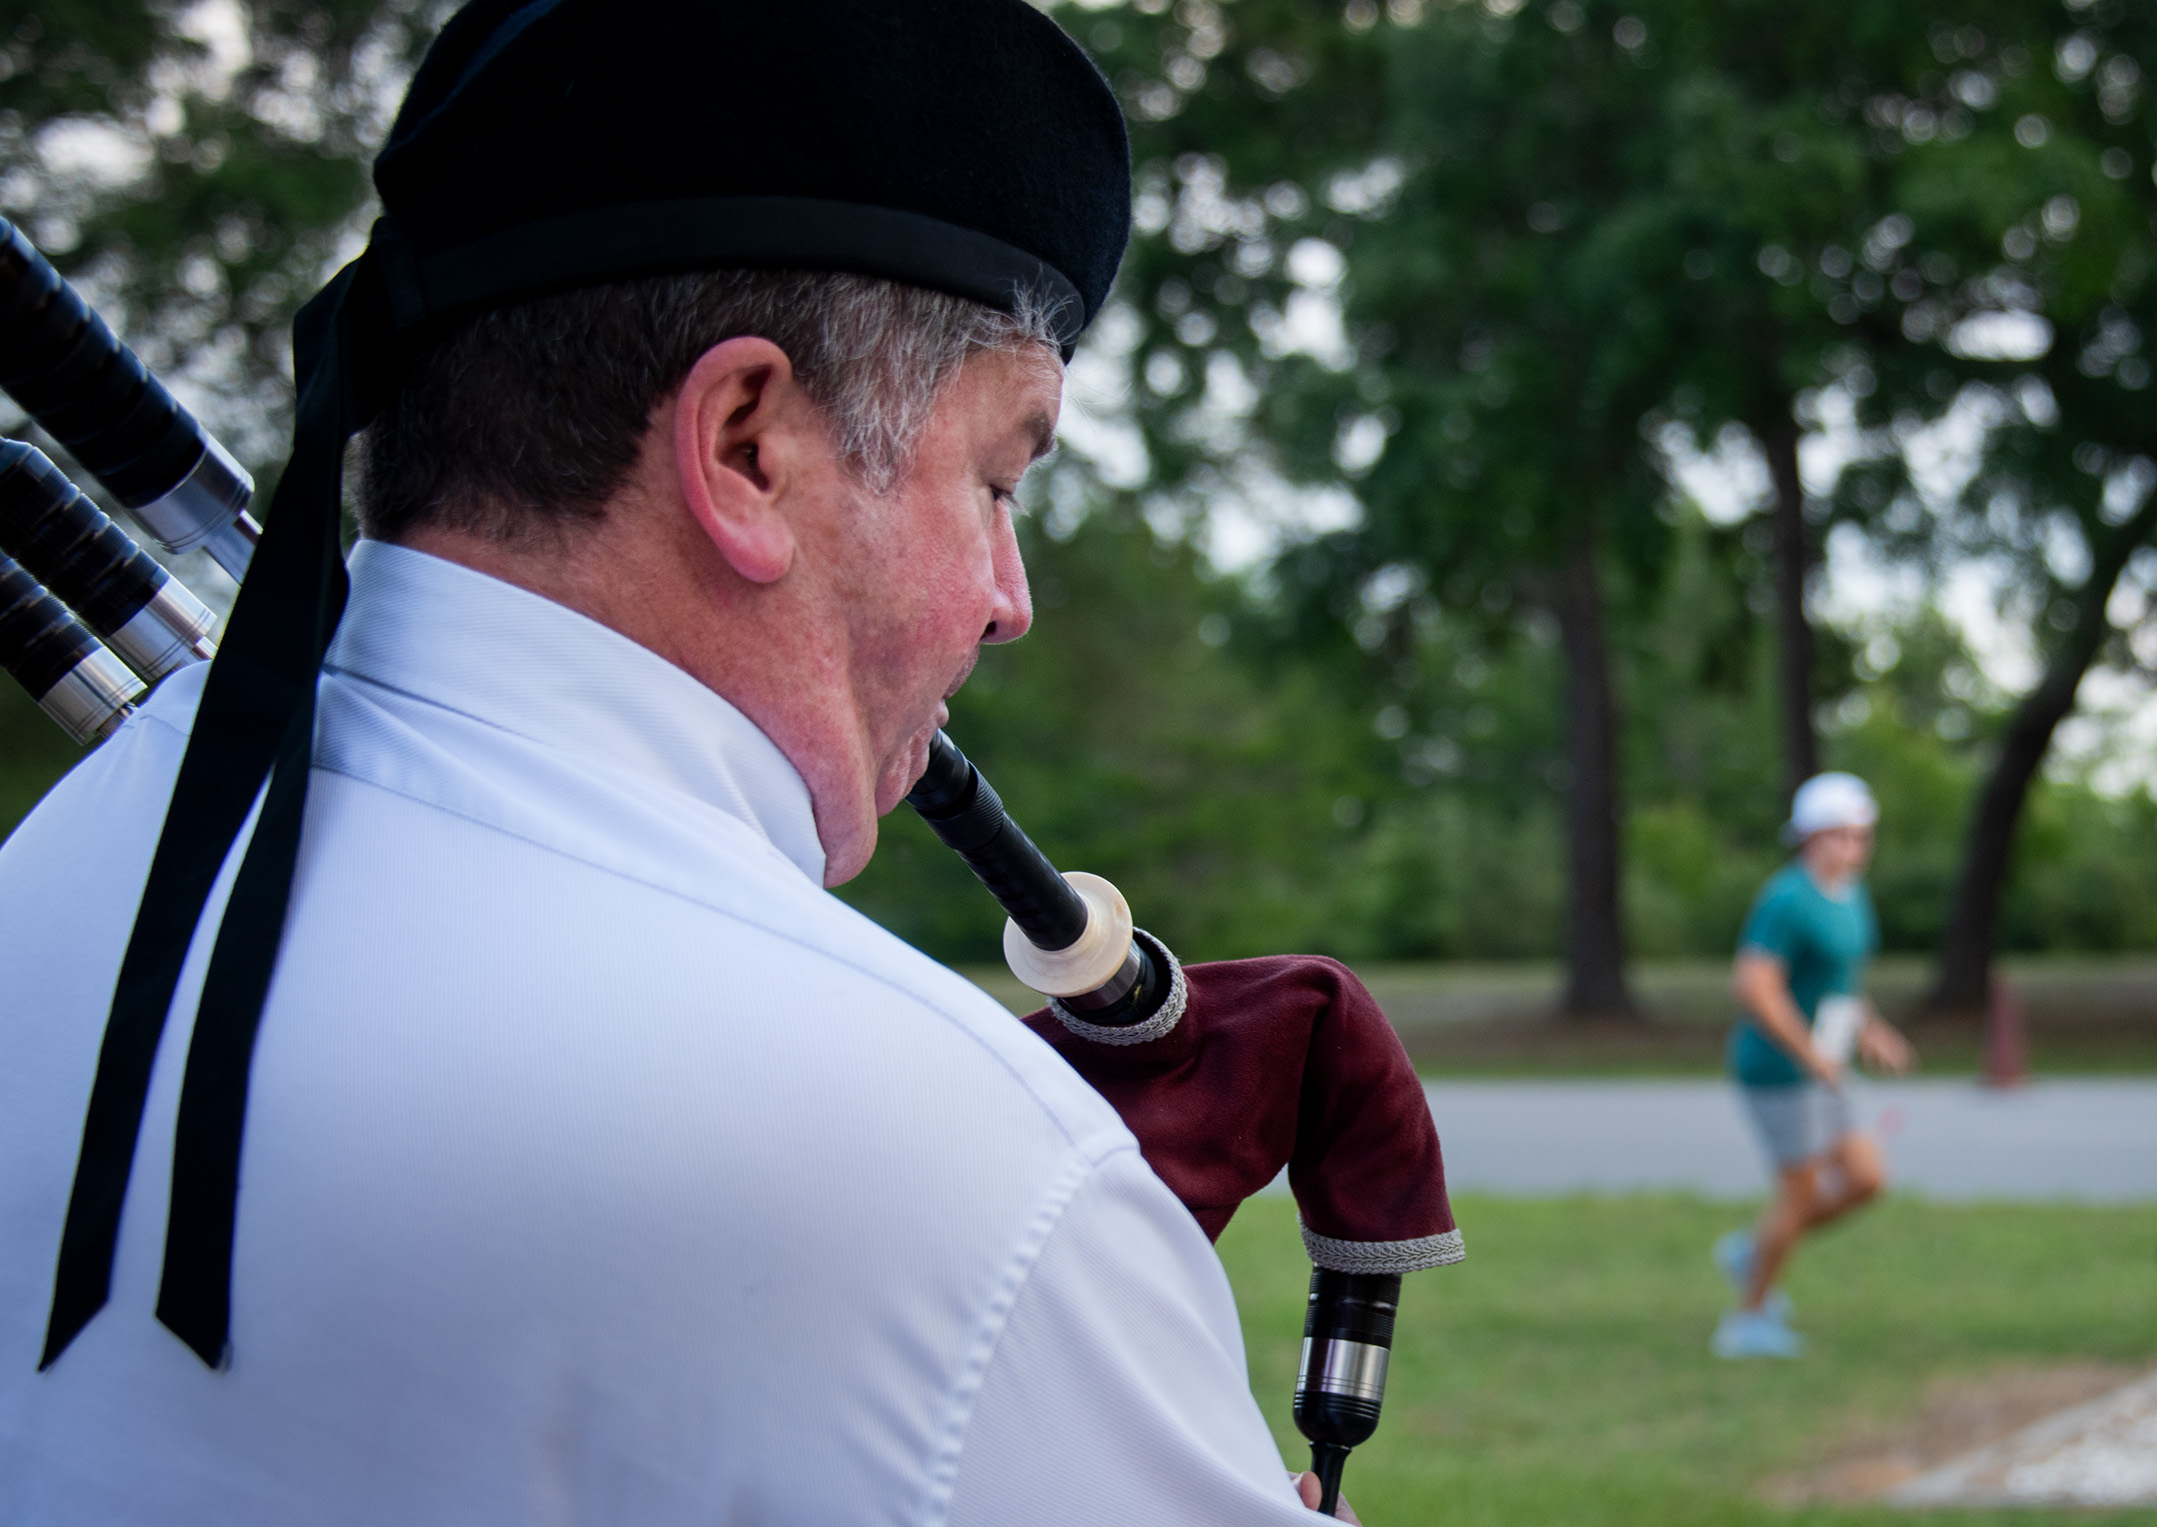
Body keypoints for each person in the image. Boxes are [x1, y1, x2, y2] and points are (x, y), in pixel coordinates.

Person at [0, 3, 1355, 1520]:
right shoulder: (963, 1175)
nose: (1008, 595)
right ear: (746, 447)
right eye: (996, 477)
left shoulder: (41, 885)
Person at [1711, 772, 1915, 1359]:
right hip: (1778, 1072)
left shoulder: (1851, 893)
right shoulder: (1786, 899)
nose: (1850, 848)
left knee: (1867, 1180)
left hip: (1825, 1068)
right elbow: (1754, 985)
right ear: (1807, 837)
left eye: (1860, 836)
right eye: (1837, 836)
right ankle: (1746, 1322)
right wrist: (1810, 1054)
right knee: (1798, 1197)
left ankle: (1753, 1253)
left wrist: (1871, 1029)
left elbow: (1838, 983)